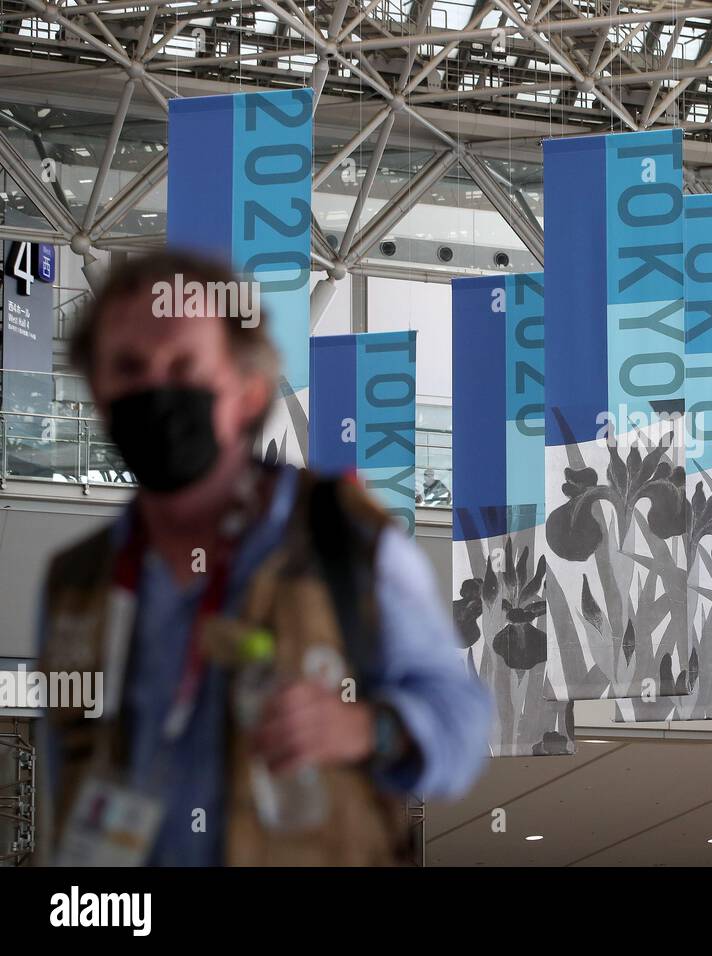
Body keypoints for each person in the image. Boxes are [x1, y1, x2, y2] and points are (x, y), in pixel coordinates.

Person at [37, 252, 490, 866]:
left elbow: (461, 720)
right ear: (97, 392)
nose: (156, 388)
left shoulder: (344, 536)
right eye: (129, 367)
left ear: (249, 390)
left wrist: (367, 729)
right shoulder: (77, 582)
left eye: (184, 365)